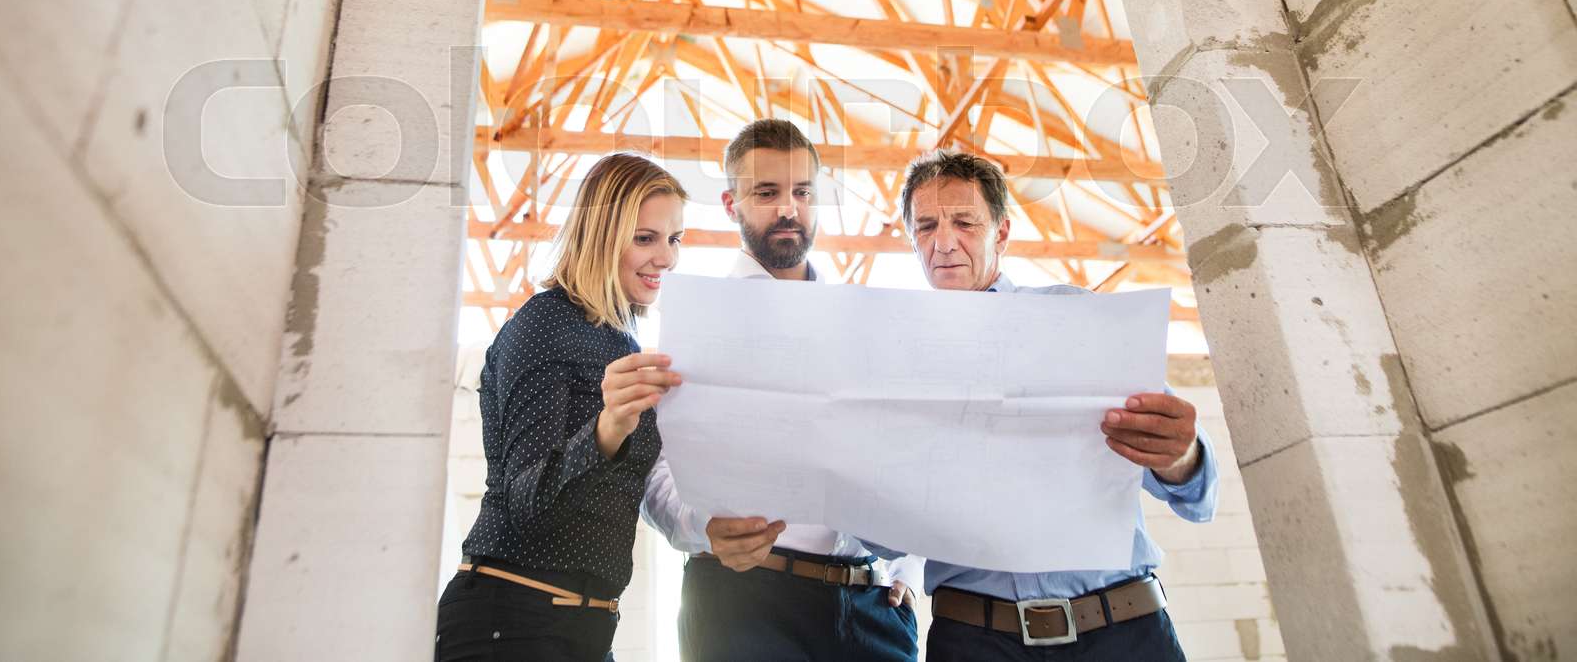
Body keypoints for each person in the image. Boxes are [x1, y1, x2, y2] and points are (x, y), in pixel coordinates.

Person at [901, 149, 1216, 661]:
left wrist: (1182, 457)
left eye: (963, 222)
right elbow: (883, 538)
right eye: (926, 225)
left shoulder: (1076, 318)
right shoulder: (895, 360)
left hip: (1122, 630)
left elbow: (1194, 492)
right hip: (975, 640)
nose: (943, 242)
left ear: (1000, 233)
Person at [642, 119, 922, 661]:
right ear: (730, 204)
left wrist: (909, 564)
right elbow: (654, 472)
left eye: (802, 192)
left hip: (871, 609)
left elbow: (911, 451)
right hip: (744, 605)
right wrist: (704, 528)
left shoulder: (863, 322)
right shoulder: (694, 323)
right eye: (766, 193)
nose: (788, 208)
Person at [436, 153, 688, 662]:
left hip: (586, 628)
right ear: (600, 236)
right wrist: (608, 428)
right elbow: (525, 501)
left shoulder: (620, 340)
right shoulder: (545, 323)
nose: (666, 258)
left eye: (674, 238)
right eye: (645, 238)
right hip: (510, 622)